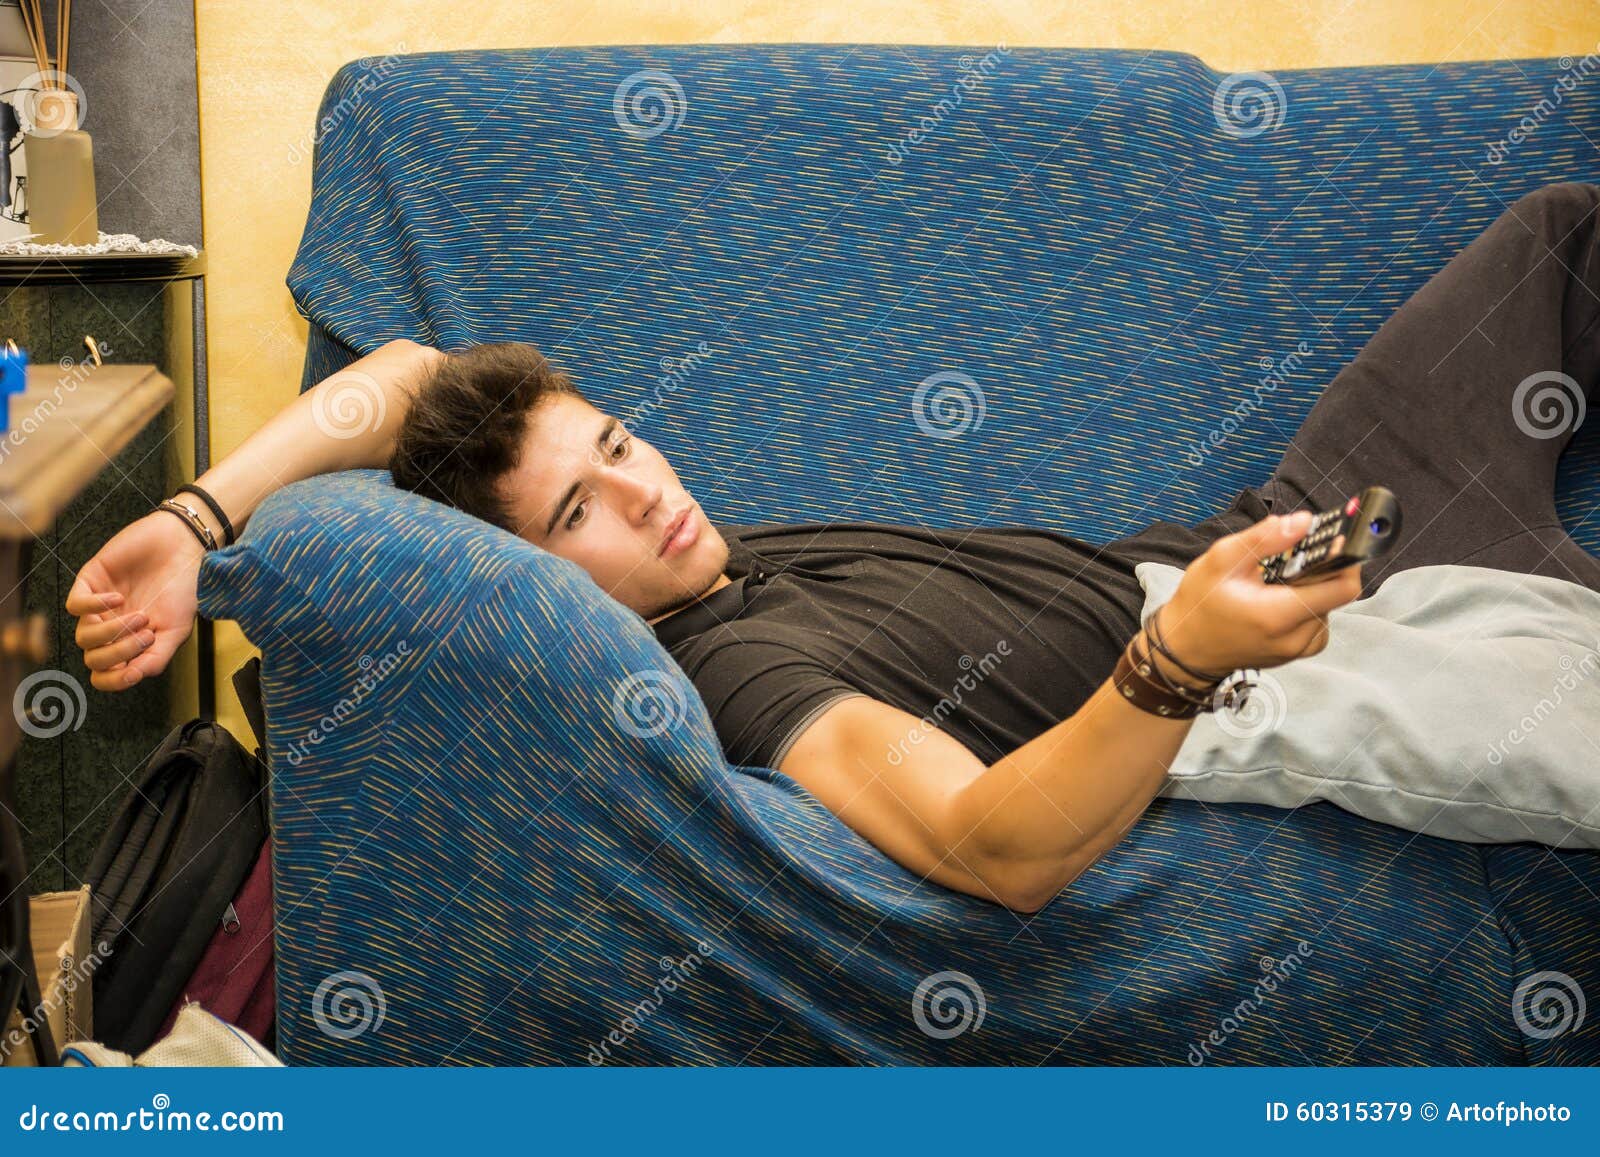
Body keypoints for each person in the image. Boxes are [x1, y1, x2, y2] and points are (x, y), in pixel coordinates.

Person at [68, 183, 1600, 912]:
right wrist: (1178, 653)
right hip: (1242, 661)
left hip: (1246, 532)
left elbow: (401, 372)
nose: (644, 491)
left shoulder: (704, 557)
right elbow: (995, 848)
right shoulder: (728, 669)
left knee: (1559, 241)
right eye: (577, 515)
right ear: (540, 573)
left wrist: (190, 517)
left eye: (617, 445)